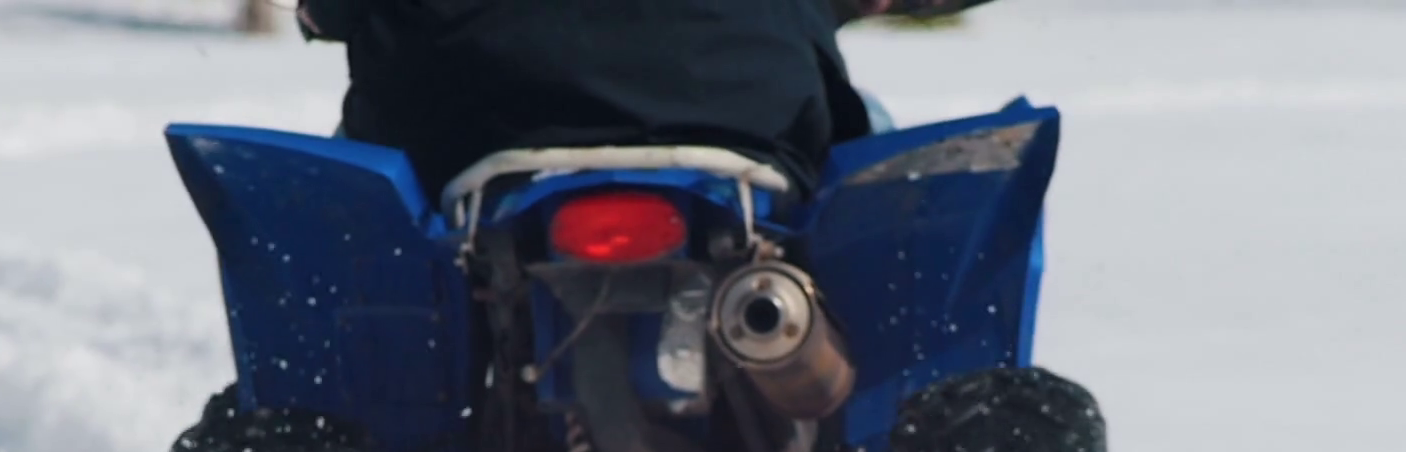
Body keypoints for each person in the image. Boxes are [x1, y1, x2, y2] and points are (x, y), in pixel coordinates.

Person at [294, 0, 992, 200]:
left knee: (346, 205)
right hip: (752, 125)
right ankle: (874, 407)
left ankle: (359, 417)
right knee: (872, 137)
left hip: (473, 134)